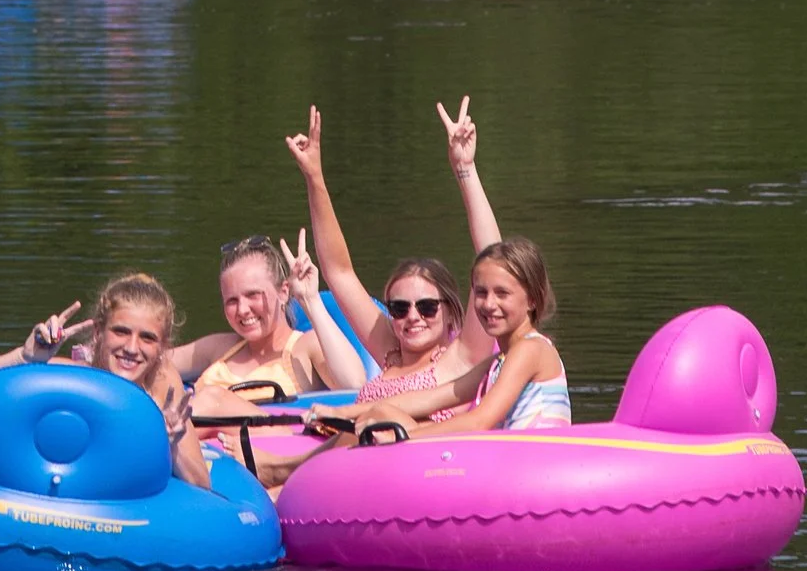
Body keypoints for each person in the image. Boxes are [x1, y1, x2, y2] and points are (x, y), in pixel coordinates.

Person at [285, 100, 505, 419]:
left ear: (450, 313)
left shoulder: (462, 359)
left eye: (427, 306)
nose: (412, 317)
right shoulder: (389, 350)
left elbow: (493, 260)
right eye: (399, 308)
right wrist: (314, 176)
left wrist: (465, 169)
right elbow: (339, 272)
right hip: (364, 454)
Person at [0, 273, 212, 490]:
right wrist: (24, 357)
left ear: (162, 346)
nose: (131, 347)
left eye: (147, 338)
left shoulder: (161, 391)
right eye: (120, 331)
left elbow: (201, 484)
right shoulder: (68, 378)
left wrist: (168, 443)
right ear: (98, 333)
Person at [310, 238, 571, 443]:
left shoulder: (530, 349)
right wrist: (342, 413)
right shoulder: (498, 361)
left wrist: (401, 436)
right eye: (481, 293)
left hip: (532, 467)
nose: (489, 304)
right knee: (384, 414)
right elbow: (427, 399)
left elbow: (479, 421)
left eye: (502, 293)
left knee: (388, 421)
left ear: (533, 300)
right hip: (507, 463)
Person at [167, 232, 366, 419]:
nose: (243, 310)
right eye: (232, 301)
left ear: (283, 292)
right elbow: (156, 362)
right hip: (207, 447)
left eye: (253, 295)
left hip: (271, 441)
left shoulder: (304, 347)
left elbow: (355, 385)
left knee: (212, 398)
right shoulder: (220, 347)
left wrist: (309, 300)